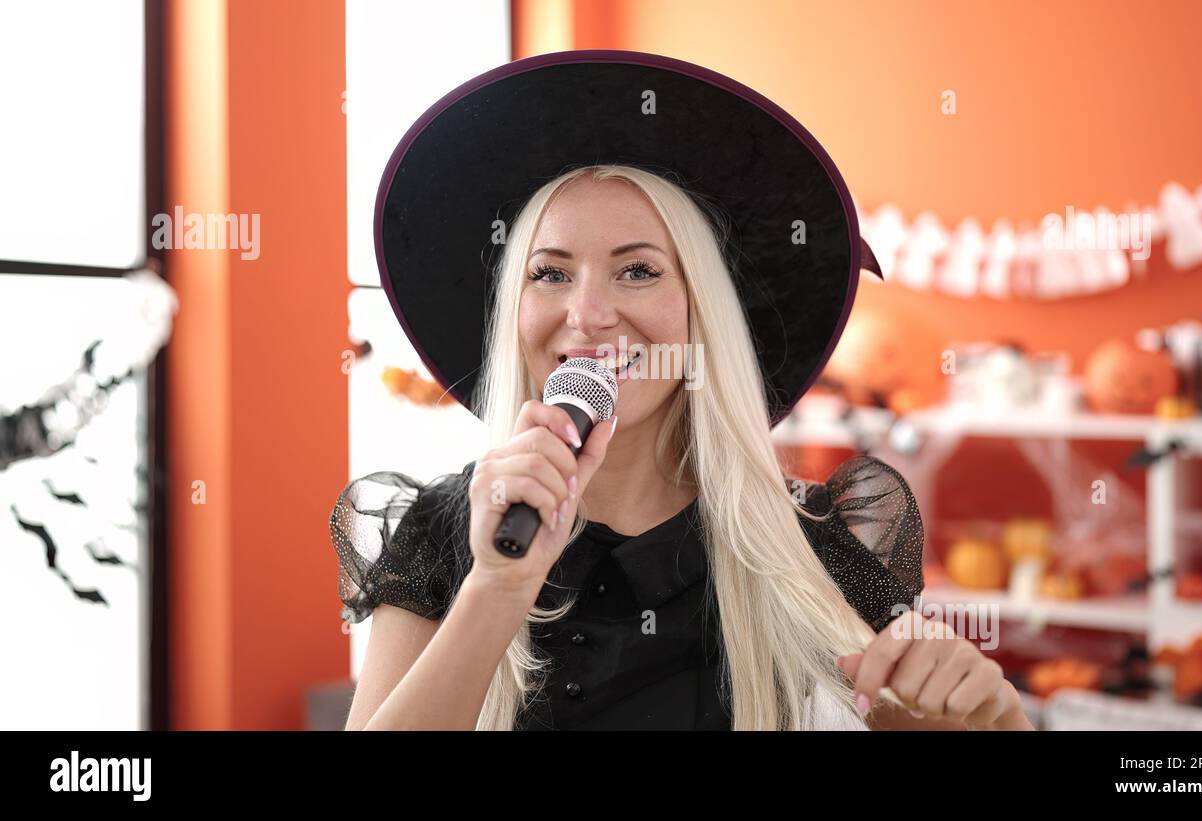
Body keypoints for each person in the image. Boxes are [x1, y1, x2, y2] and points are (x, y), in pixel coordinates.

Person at [330, 52, 1032, 731]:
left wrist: (990, 721)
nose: (587, 313)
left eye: (637, 271)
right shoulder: (448, 534)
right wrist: (496, 589)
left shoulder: (815, 546)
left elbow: (924, 716)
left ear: (702, 309)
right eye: (549, 274)